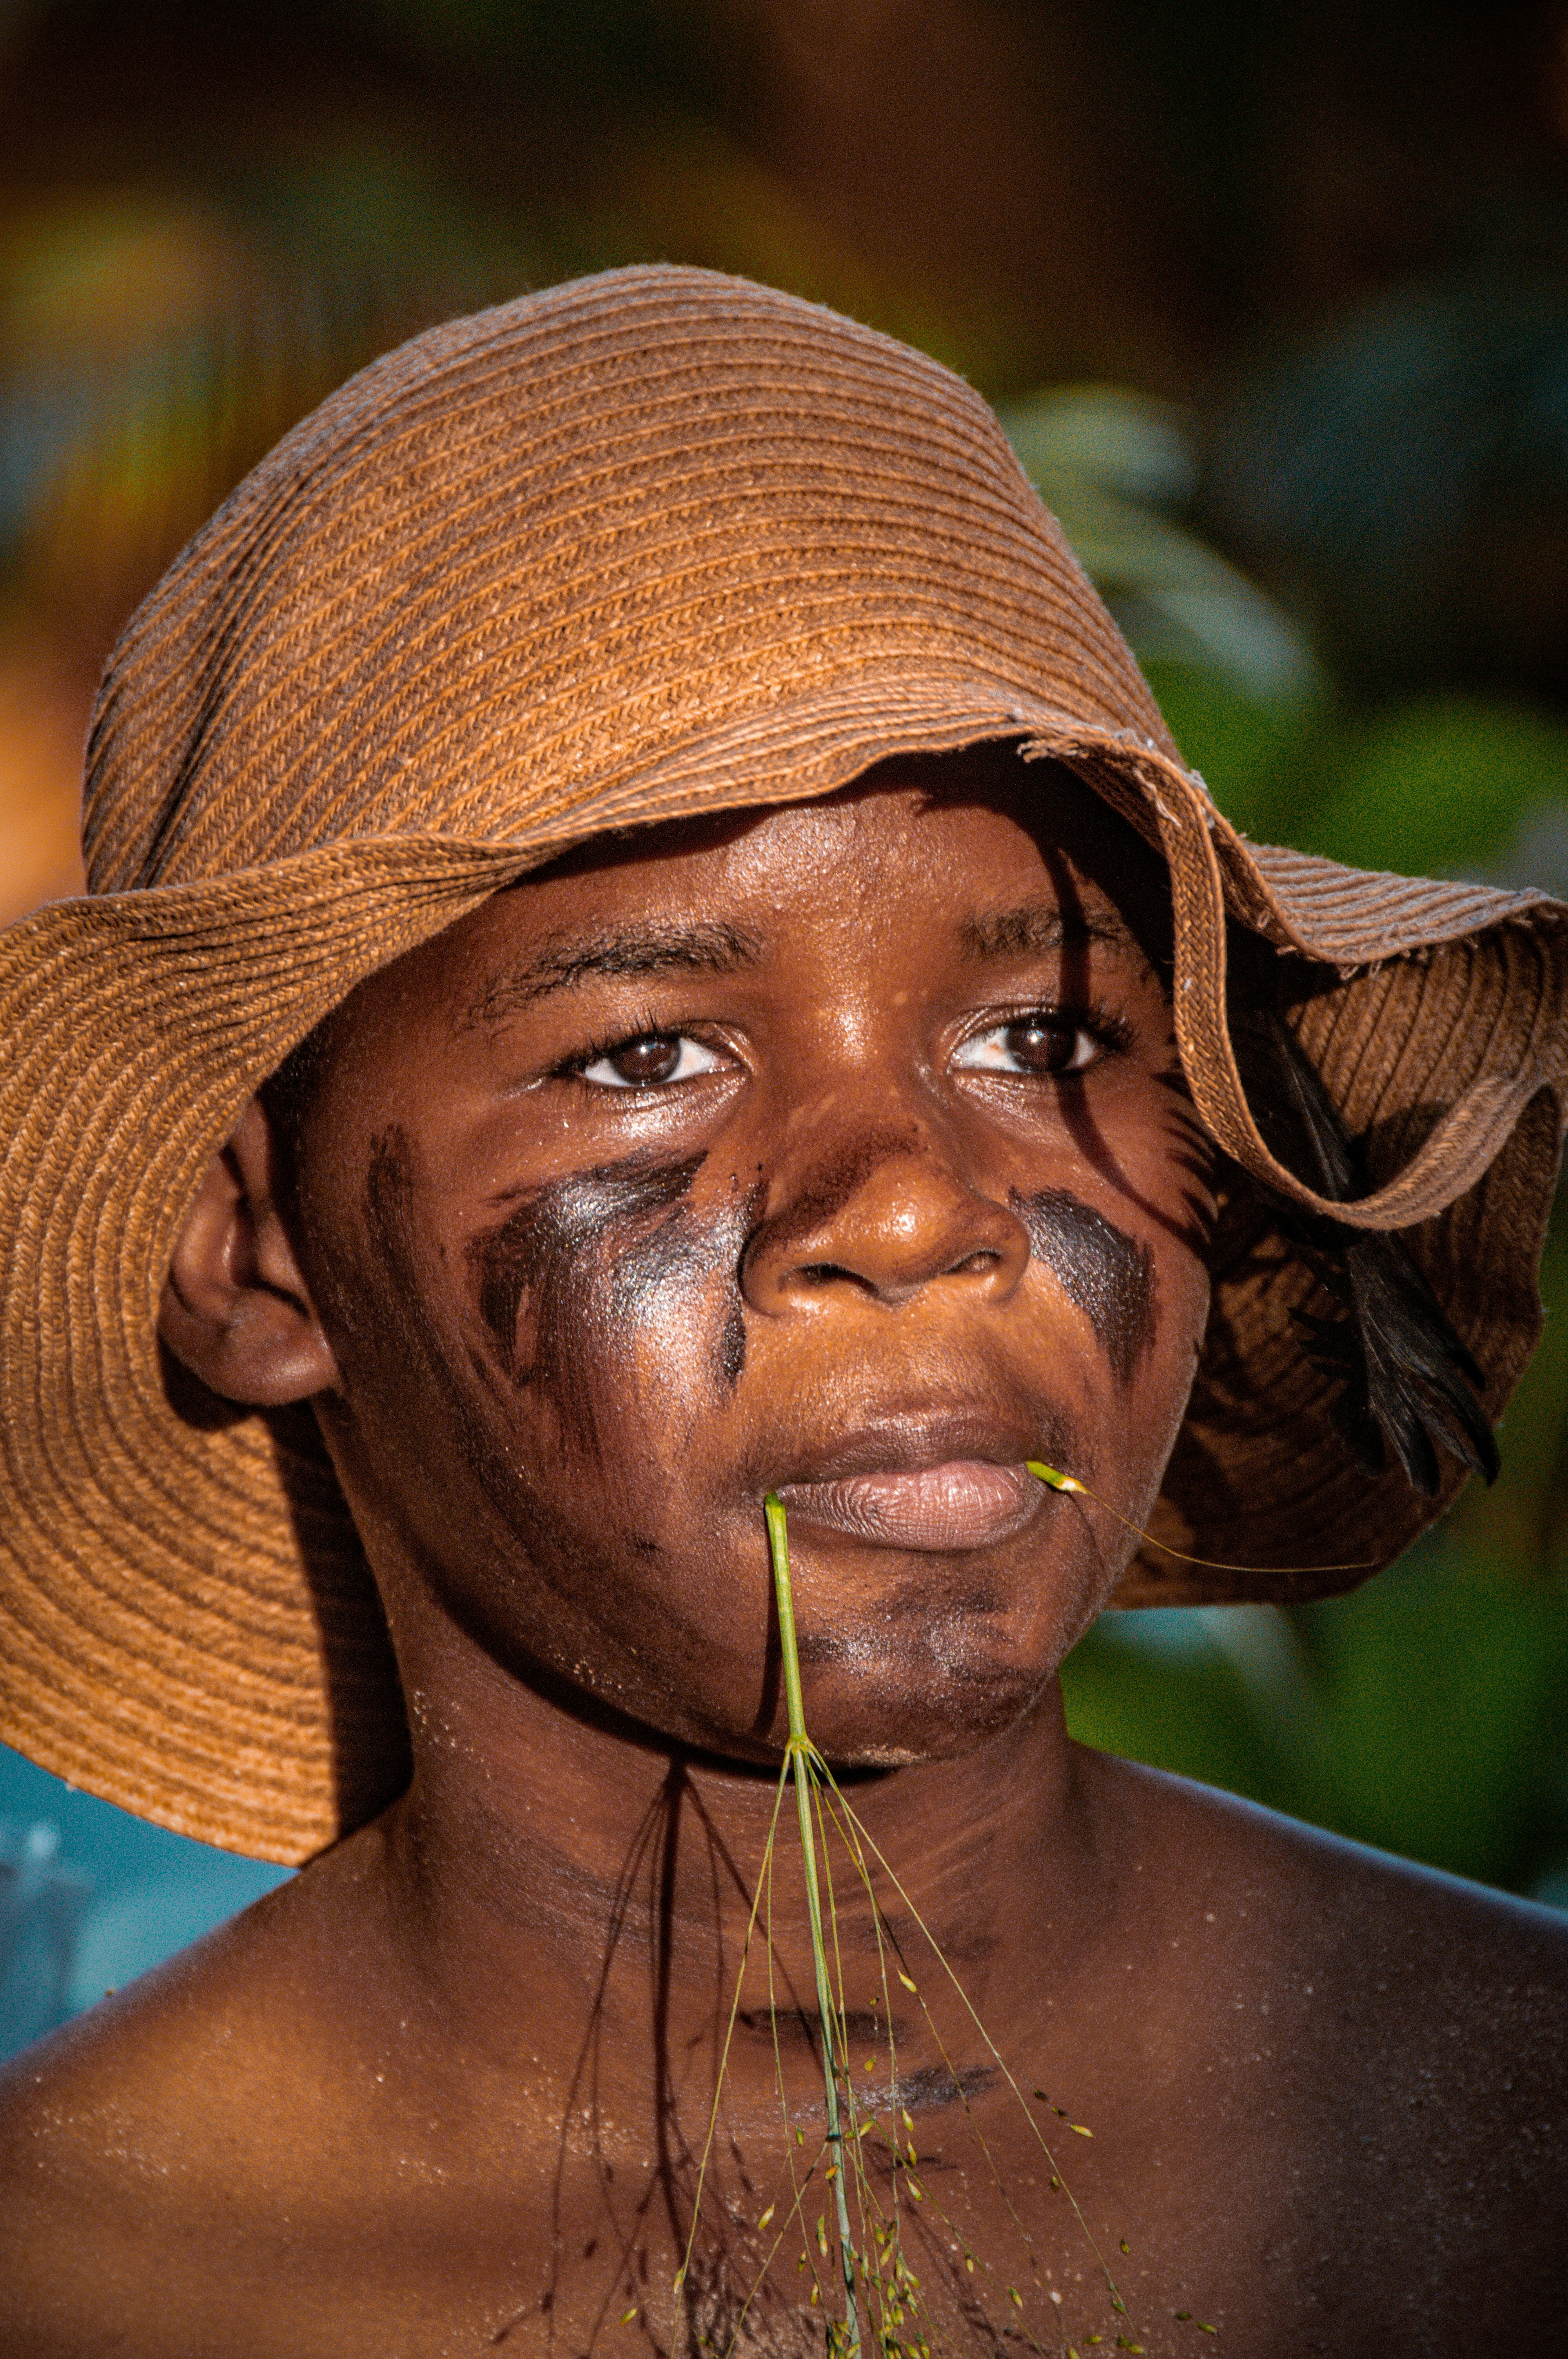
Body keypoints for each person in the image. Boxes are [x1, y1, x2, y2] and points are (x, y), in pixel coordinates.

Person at [0, 266, 1564, 2358]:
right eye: (648, 1058)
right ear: (253, 1249)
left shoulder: (1509, 2144)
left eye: (1039, 1039)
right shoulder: (80, 2284)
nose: (916, 1208)